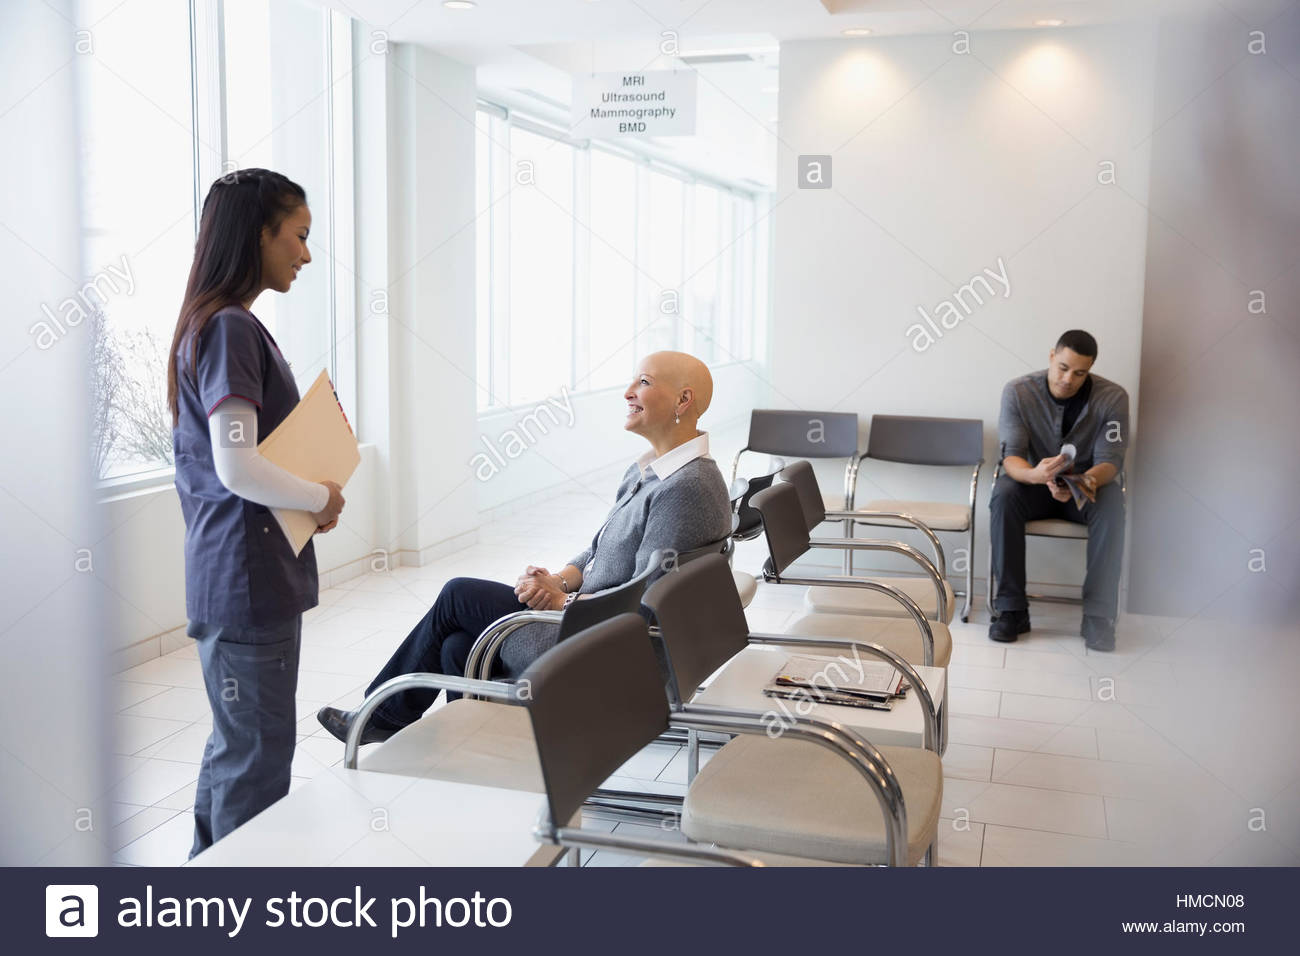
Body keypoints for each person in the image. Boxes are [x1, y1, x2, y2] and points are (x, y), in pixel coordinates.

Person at [317, 350, 732, 744]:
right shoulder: (649, 471)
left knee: (458, 594)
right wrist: (556, 581)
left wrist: (560, 606)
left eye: (642, 382)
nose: (627, 393)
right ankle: (470, 747)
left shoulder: (686, 487)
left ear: (683, 399)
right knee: (456, 647)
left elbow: (644, 604)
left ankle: (379, 717)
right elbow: (598, 552)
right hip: (590, 626)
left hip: (606, 648)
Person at [168, 169, 346, 857]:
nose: (305, 254)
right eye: (298, 236)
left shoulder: (216, 325)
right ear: (258, 234)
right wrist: (320, 497)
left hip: (235, 574)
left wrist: (307, 497)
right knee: (258, 757)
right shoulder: (230, 330)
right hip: (246, 582)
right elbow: (236, 465)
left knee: (235, 745)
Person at [988, 330, 1129, 650]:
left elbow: (1111, 461)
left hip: (1087, 486)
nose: (1068, 379)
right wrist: (1036, 475)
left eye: (1080, 373)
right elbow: (1011, 458)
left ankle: (1097, 616)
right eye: (1063, 367)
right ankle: (1011, 609)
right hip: (1033, 484)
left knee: (1111, 506)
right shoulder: (1017, 392)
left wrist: (1081, 484)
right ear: (1052, 356)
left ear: (1090, 369)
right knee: (1004, 494)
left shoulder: (1113, 398)